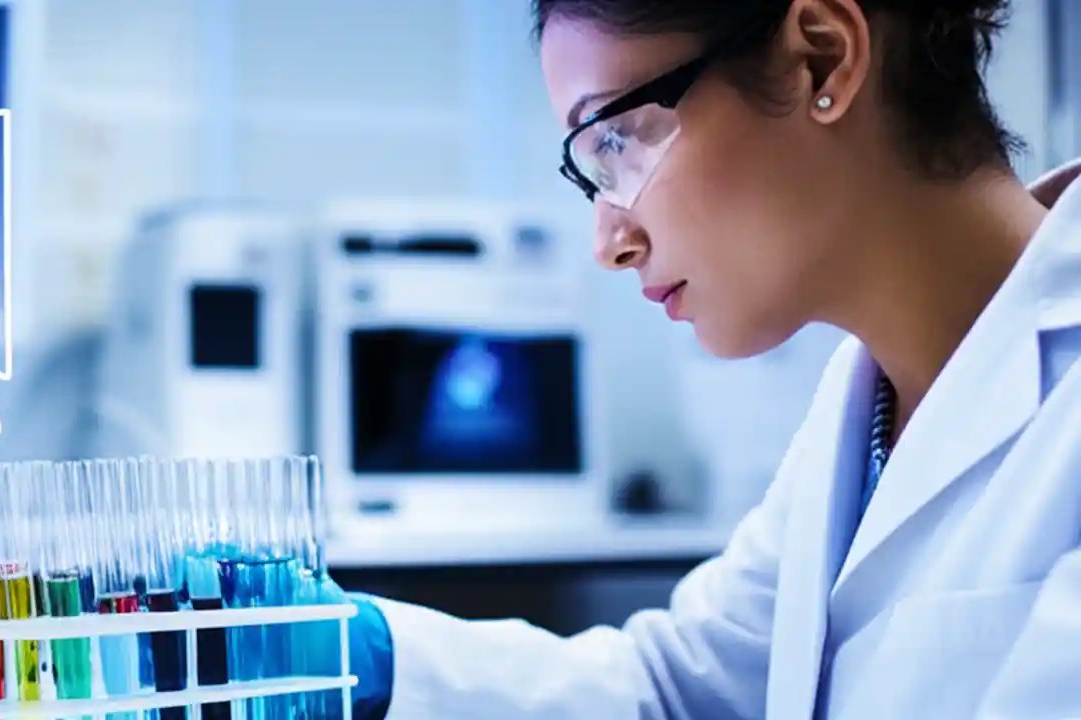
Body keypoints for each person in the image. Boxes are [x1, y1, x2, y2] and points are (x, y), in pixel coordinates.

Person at [341, 0, 1081, 717]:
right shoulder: (859, 416)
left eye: (618, 141)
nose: (609, 243)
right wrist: (363, 656)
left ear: (819, 57)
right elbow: (682, 695)